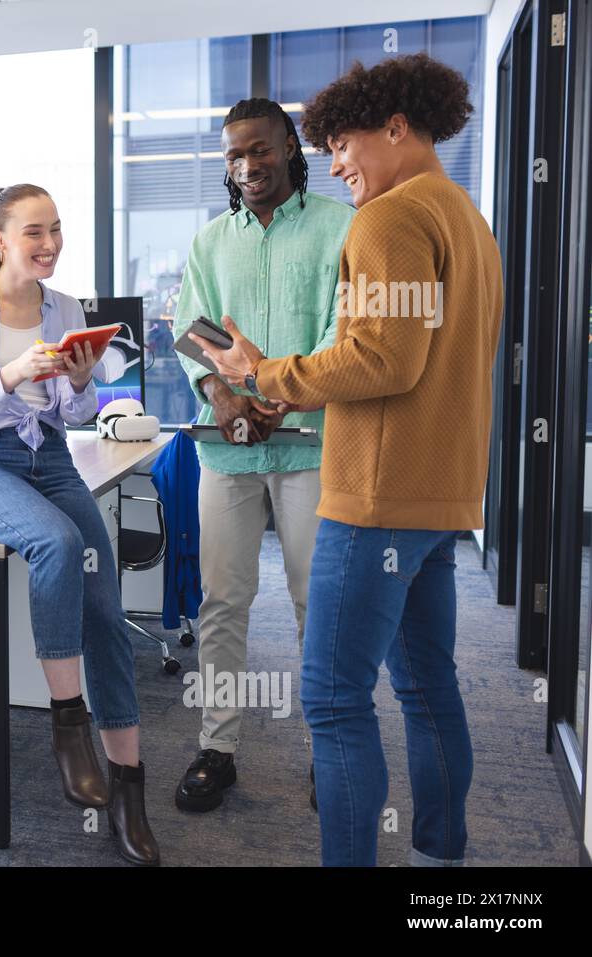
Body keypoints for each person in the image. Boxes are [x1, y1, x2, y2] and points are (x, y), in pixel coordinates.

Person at [191, 53, 503, 866]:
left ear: (395, 128)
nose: (336, 164)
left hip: (376, 496)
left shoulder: (389, 220)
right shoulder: (465, 217)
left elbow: (380, 361)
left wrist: (264, 375)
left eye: (343, 144)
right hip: (441, 499)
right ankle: (440, 860)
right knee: (428, 685)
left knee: (331, 698)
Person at [0, 184, 160, 865]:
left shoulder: (64, 307)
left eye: (56, 229)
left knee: (108, 615)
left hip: (49, 459)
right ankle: (68, 728)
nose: (50, 242)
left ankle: (130, 788)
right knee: (55, 541)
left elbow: (71, 415)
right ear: (0, 238)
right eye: (35, 230)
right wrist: (9, 373)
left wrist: (81, 381)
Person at [170, 99, 355, 813]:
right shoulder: (213, 241)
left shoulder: (341, 228)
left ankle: (327, 751)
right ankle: (218, 747)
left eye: (260, 149)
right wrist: (219, 392)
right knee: (223, 600)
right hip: (229, 450)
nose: (247, 165)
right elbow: (195, 331)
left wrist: (284, 386)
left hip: (310, 444)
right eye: (233, 155)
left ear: (290, 147)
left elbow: (347, 332)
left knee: (318, 603)